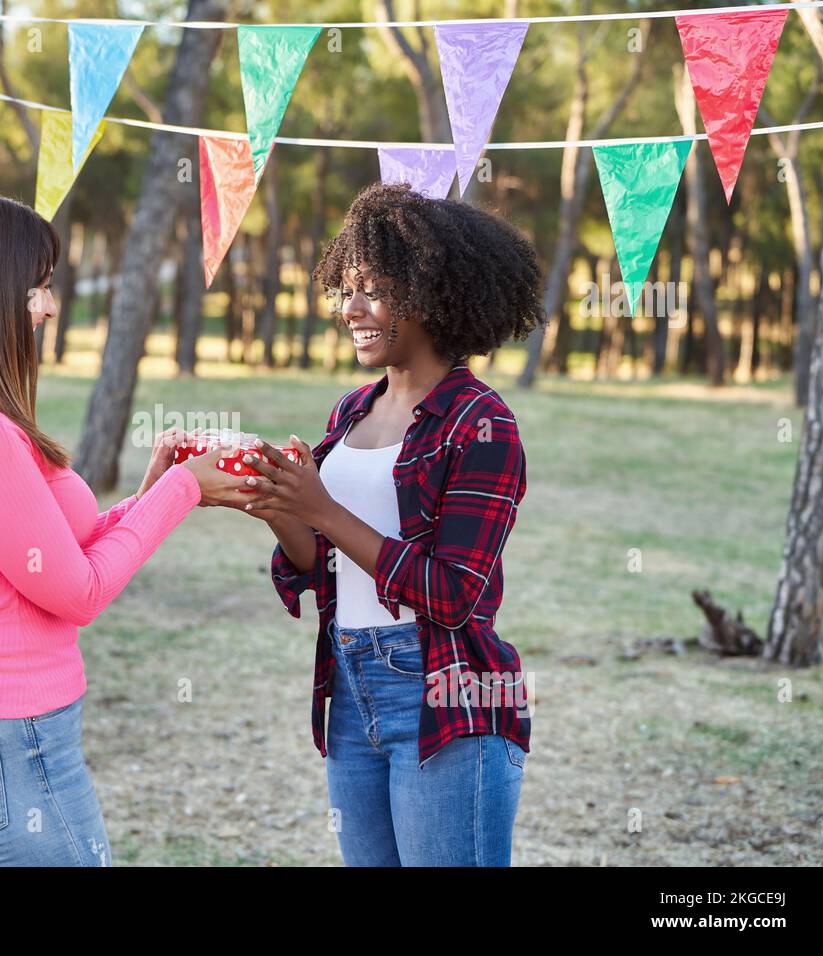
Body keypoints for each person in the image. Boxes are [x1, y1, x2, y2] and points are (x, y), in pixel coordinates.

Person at [0, 189, 250, 866]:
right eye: (37, 289)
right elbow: (78, 593)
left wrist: (152, 494)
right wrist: (187, 488)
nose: (47, 306)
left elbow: (48, 558)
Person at [238, 182, 545, 866]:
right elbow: (324, 565)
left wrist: (321, 509)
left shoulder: (481, 423)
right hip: (349, 687)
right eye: (346, 289)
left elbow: (455, 593)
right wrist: (283, 509)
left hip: (444, 692)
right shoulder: (352, 409)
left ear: (432, 296)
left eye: (371, 290)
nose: (350, 309)